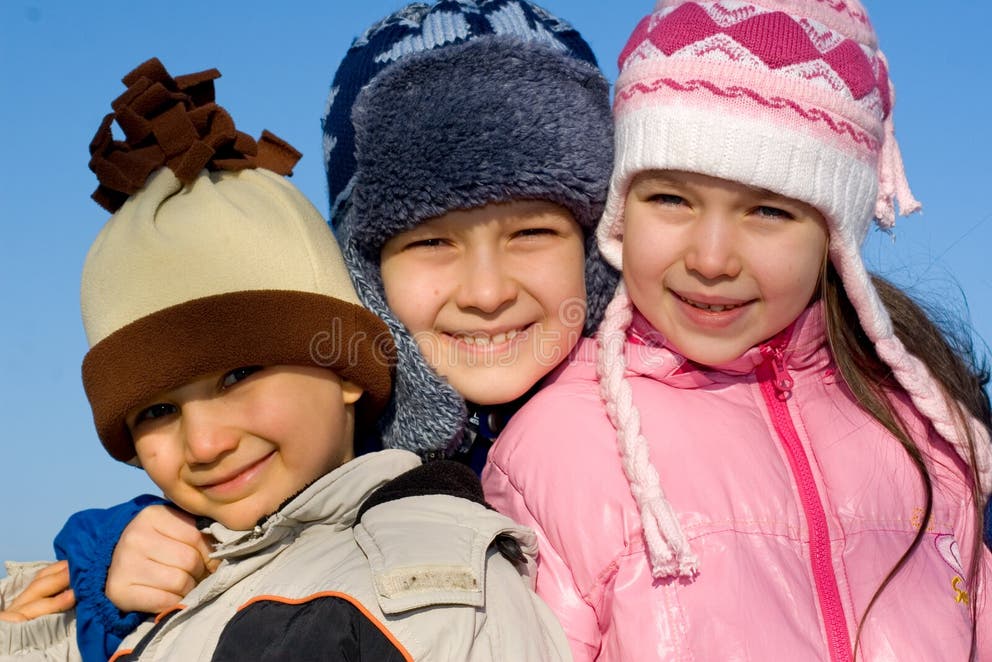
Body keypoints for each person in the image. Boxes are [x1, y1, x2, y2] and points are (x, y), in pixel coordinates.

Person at [16, 2, 618, 660]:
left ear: (600, 244)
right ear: (363, 274)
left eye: (533, 232)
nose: (485, 292)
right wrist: (117, 556)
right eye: (430, 242)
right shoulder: (339, 449)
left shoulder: (664, 441)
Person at [481, 0, 992, 659]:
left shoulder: (926, 429)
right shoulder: (560, 448)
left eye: (769, 211)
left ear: (834, 236)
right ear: (620, 207)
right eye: (670, 198)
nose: (712, 259)